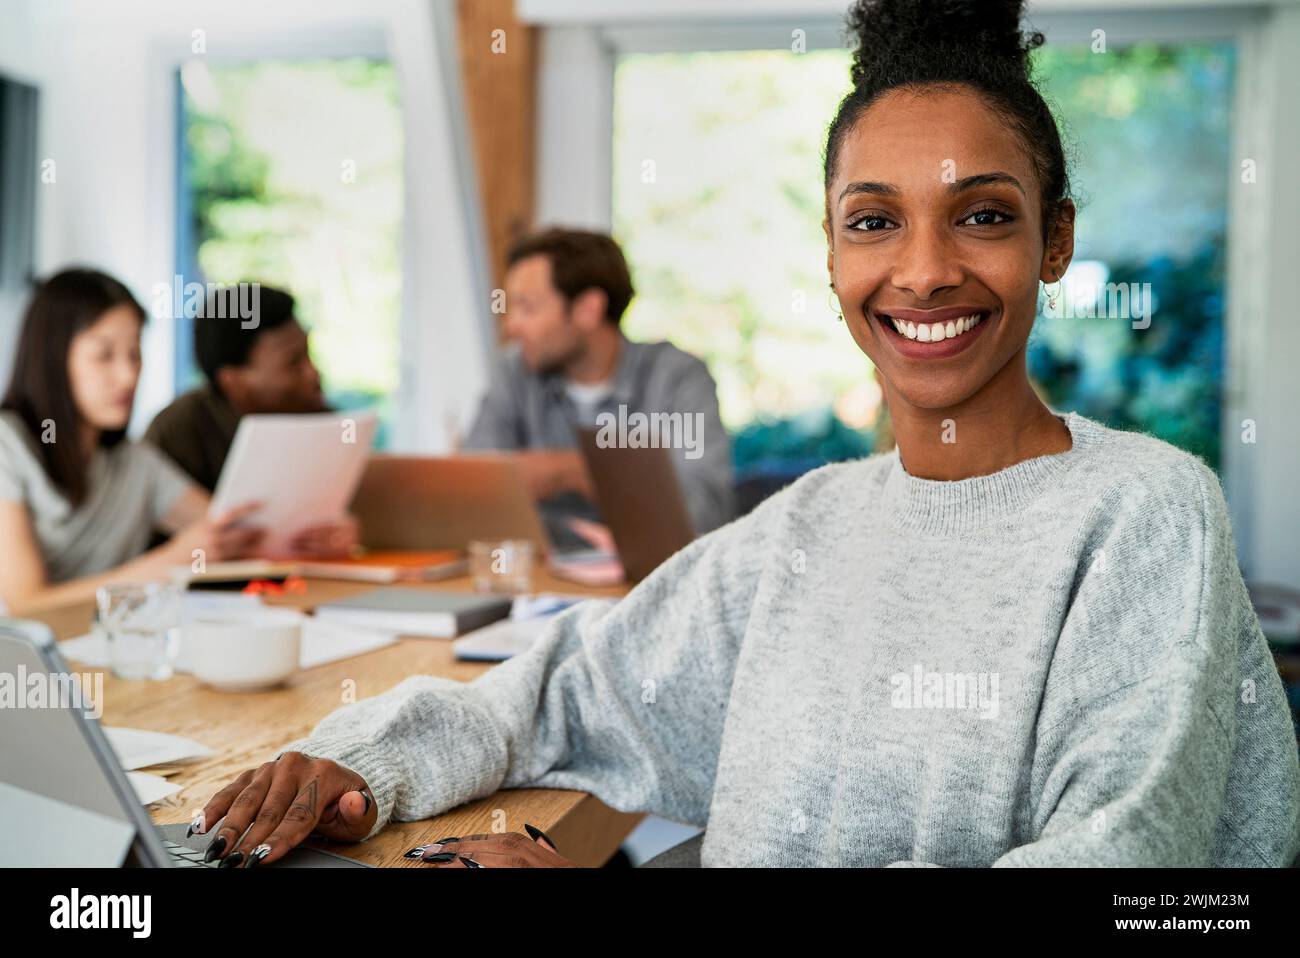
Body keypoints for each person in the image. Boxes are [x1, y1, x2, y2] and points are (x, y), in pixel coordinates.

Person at [194, 0, 1300, 868]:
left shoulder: (1148, 509)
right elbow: (565, 688)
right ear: (829, 256)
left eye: (983, 213)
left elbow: (1113, 865)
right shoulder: (811, 523)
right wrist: (356, 765)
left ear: (1054, 241)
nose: (922, 269)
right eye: (873, 221)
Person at [0, 269, 264, 615]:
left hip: (109, 654)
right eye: (104, 355)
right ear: (52, 359)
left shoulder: (135, 462)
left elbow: (231, 529)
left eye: (135, 354)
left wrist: (312, 534)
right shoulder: (8, 445)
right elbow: (26, 603)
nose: (127, 376)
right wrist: (169, 563)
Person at [461, 228, 733, 548]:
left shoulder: (676, 378)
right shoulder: (516, 372)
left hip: (647, 588)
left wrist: (577, 471)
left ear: (588, 309)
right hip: (540, 585)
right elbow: (470, 493)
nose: (510, 326)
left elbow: (706, 514)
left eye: (528, 307)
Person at [144, 284, 327, 492]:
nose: (313, 373)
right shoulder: (175, 434)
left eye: (308, 354)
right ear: (234, 381)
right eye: (293, 363)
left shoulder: (317, 416)